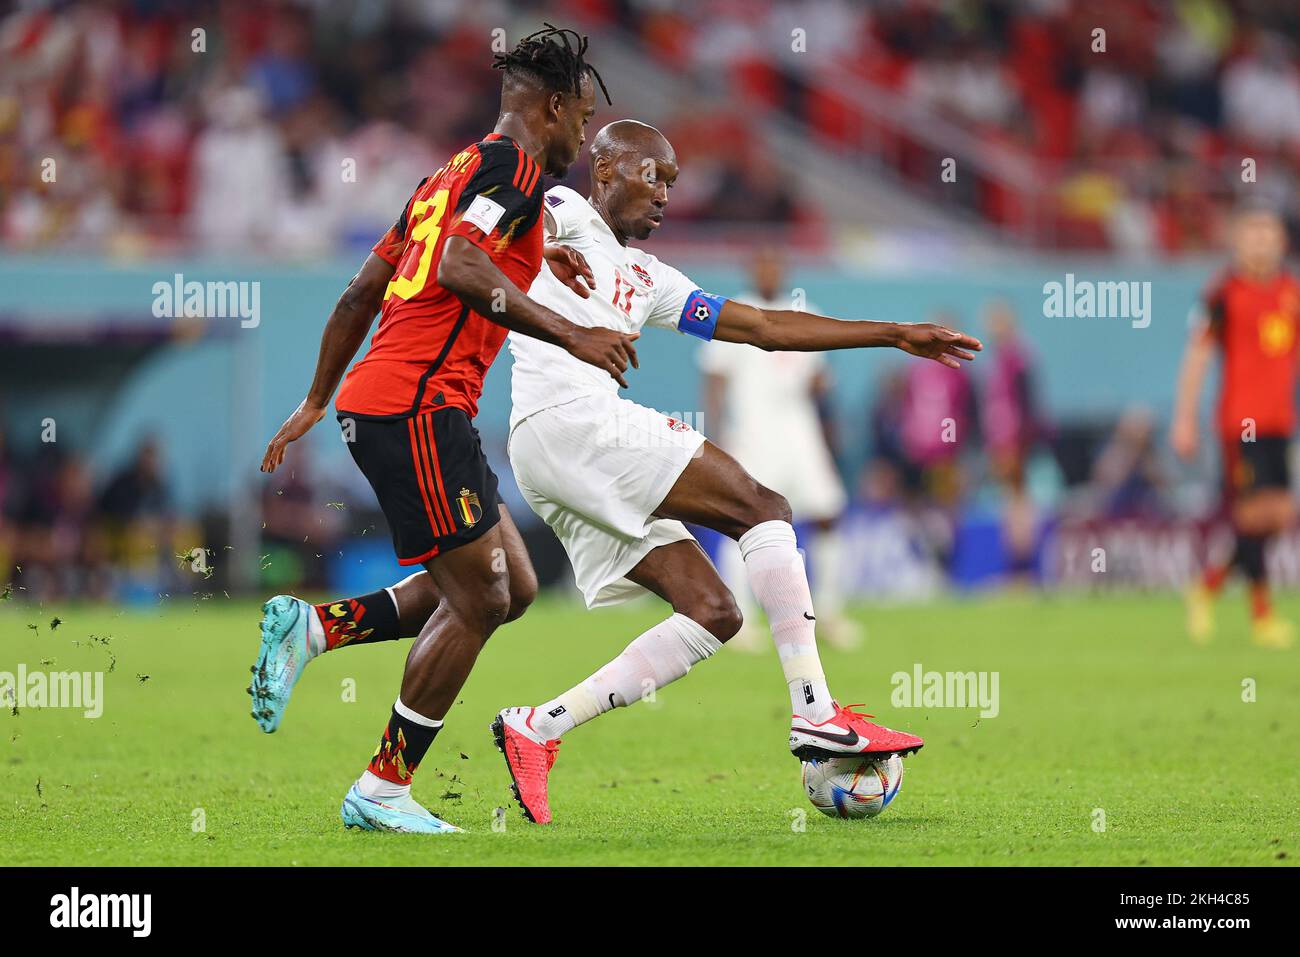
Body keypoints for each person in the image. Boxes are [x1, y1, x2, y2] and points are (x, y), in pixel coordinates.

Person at [492, 120, 980, 823]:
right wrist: (538, 236)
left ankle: (536, 727)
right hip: (572, 421)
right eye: (650, 174)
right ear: (601, 169)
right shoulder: (563, 213)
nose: (662, 192)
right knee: (765, 506)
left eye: (672, 183)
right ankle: (814, 711)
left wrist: (893, 333)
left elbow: (765, 328)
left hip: (552, 450)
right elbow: (482, 222)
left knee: (714, 611)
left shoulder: (651, 279)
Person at [246, 25, 637, 834]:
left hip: (393, 401)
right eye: (584, 117)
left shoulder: (449, 173)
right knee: (481, 592)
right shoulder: (515, 168)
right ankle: (382, 787)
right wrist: (576, 335)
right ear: (555, 106)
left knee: (514, 585)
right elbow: (461, 267)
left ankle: (316, 626)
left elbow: (365, 289)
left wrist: (319, 398)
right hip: (415, 406)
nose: (584, 136)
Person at [698, 247, 858, 649]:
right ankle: (741, 622)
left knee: (827, 516)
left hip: (800, 433)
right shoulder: (736, 314)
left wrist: (825, 401)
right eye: (762, 265)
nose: (769, 272)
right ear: (752, 271)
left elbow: (819, 381)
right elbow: (715, 380)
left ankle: (830, 612)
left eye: (775, 265)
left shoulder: (802, 313)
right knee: (744, 525)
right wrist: (717, 436)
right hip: (753, 434)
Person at [1172, 207, 1298, 649]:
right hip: (1239, 424)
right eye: (1253, 232)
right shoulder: (1222, 294)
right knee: (1250, 514)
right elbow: (1198, 356)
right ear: (1237, 241)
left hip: (1281, 421)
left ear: (1282, 241)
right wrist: (1184, 417)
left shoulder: (1291, 292)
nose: (1262, 240)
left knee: (1278, 516)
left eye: (1269, 232)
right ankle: (1262, 617)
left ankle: (1206, 587)